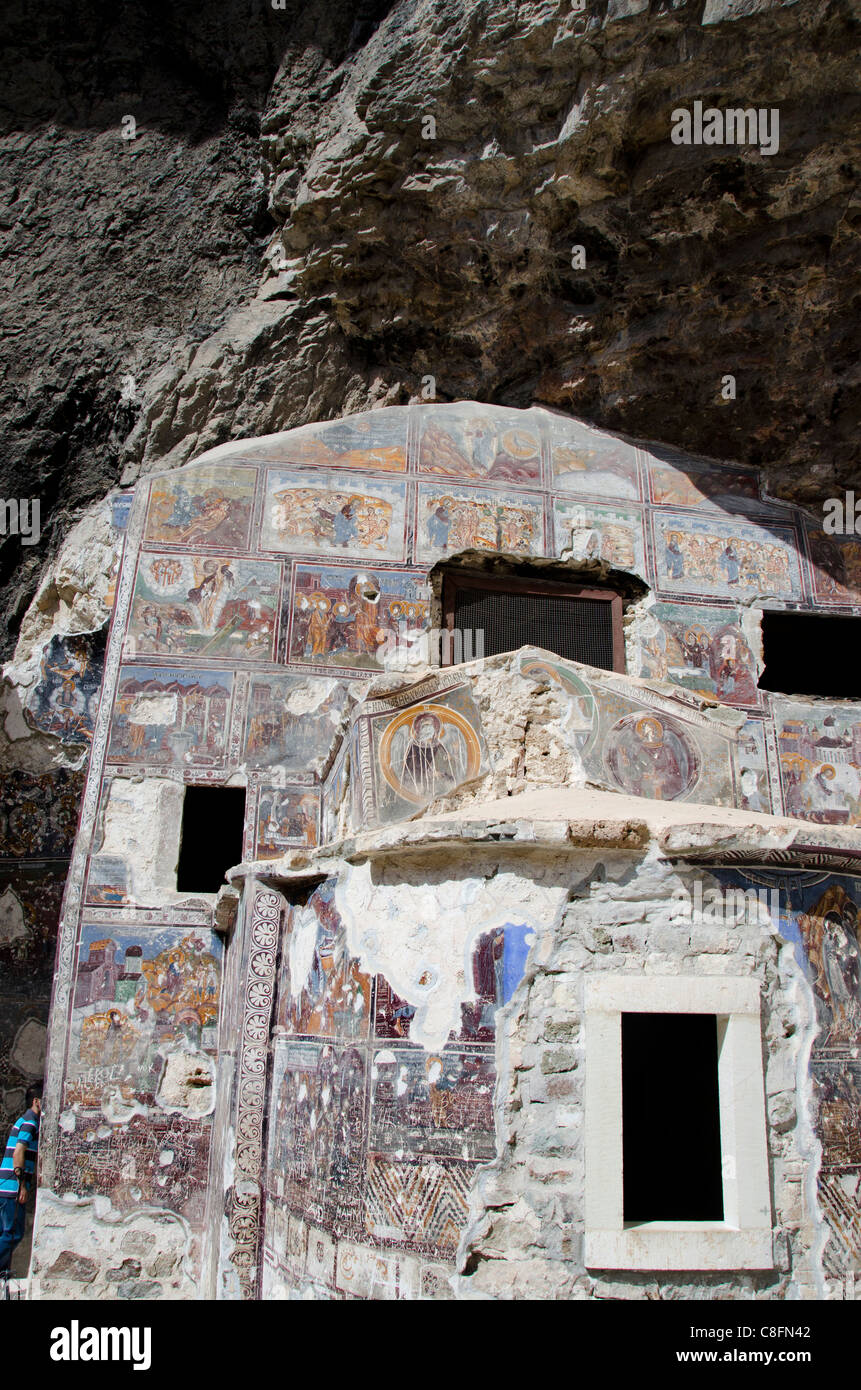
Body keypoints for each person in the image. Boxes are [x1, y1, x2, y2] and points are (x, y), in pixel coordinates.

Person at [0, 1082, 42, 1276]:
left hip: (5, 1185)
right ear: (37, 1101)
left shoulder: (23, 1120)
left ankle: (3, 1271)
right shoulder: (30, 1122)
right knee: (13, 1233)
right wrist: (22, 1186)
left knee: (5, 1233)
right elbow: (19, 1153)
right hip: (11, 1186)